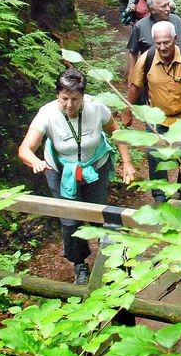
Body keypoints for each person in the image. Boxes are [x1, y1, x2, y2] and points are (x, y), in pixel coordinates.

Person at [17, 68, 136, 285]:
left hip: (95, 166)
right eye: (64, 99)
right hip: (61, 171)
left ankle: (113, 259)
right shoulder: (47, 114)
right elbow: (25, 149)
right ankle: (79, 264)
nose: (69, 105)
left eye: (75, 99)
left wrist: (127, 162)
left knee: (99, 213)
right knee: (70, 219)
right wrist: (35, 162)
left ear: (83, 96)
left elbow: (116, 132)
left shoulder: (96, 107)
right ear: (57, 95)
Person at [120, 21, 181, 202]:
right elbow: (135, 86)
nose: (162, 47)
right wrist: (127, 111)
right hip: (157, 118)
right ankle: (160, 195)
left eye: (166, 42)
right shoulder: (146, 59)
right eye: (158, 43)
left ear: (175, 39)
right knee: (155, 155)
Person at [124, 0, 181, 82]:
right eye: (163, 6)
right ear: (151, 9)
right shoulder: (140, 26)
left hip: (178, 76)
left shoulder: (177, 21)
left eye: (168, 4)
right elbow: (133, 53)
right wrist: (131, 77)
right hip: (150, 78)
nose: (168, 9)